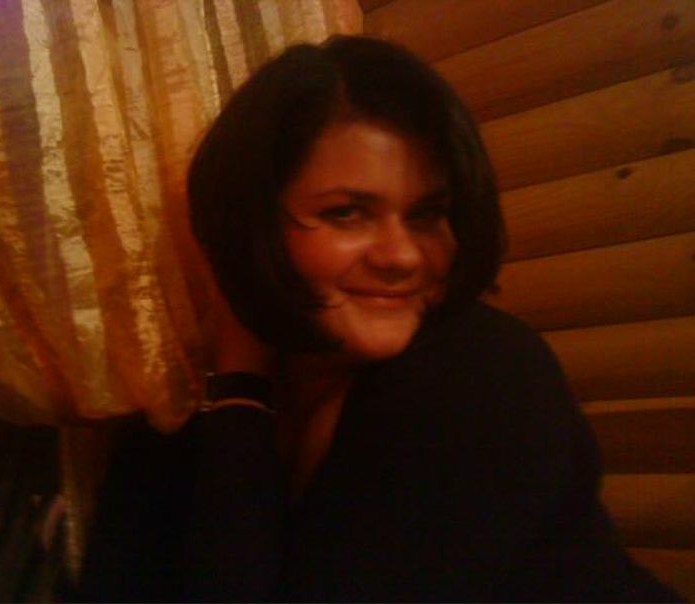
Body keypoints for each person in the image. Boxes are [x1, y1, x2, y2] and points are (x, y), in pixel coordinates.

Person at [73, 36, 684, 603]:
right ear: (250, 225)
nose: (402, 256)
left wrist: (239, 377)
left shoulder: (484, 372)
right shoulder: (175, 428)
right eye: (346, 213)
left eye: (427, 214)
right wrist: (240, 379)